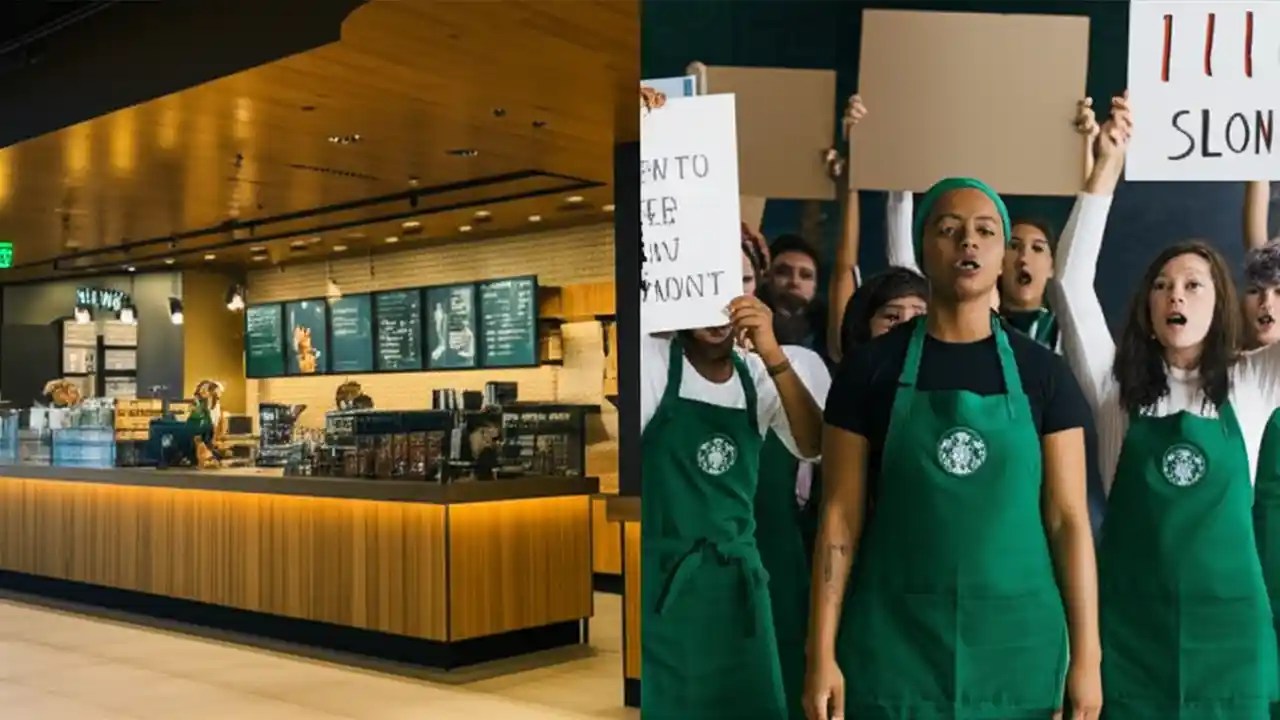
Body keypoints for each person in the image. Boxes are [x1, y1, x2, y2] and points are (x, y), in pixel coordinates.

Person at [806, 177, 1101, 720]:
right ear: (923, 250)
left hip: (1018, 648)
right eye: (948, 229)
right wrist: (820, 652)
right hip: (895, 643)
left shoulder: (1044, 374)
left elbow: (1068, 521)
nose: (968, 241)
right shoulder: (870, 371)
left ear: (1000, 255)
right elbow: (840, 517)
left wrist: (1088, 660)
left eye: (986, 231)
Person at [1053, 94, 1280, 717]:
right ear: (1149, 312)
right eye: (1161, 285)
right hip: (1129, 632)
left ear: (1221, 304)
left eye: (1193, 284)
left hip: (1231, 637)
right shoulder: (1111, 389)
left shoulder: (1254, 384)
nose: (1175, 294)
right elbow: (1069, 284)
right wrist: (1105, 168)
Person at [642, 234, 829, 718]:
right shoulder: (653, 364)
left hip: (743, 583)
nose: (720, 300)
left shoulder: (758, 373)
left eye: (739, 282)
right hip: (669, 584)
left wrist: (772, 354)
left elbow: (813, 444)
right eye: (704, 282)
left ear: (756, 288)